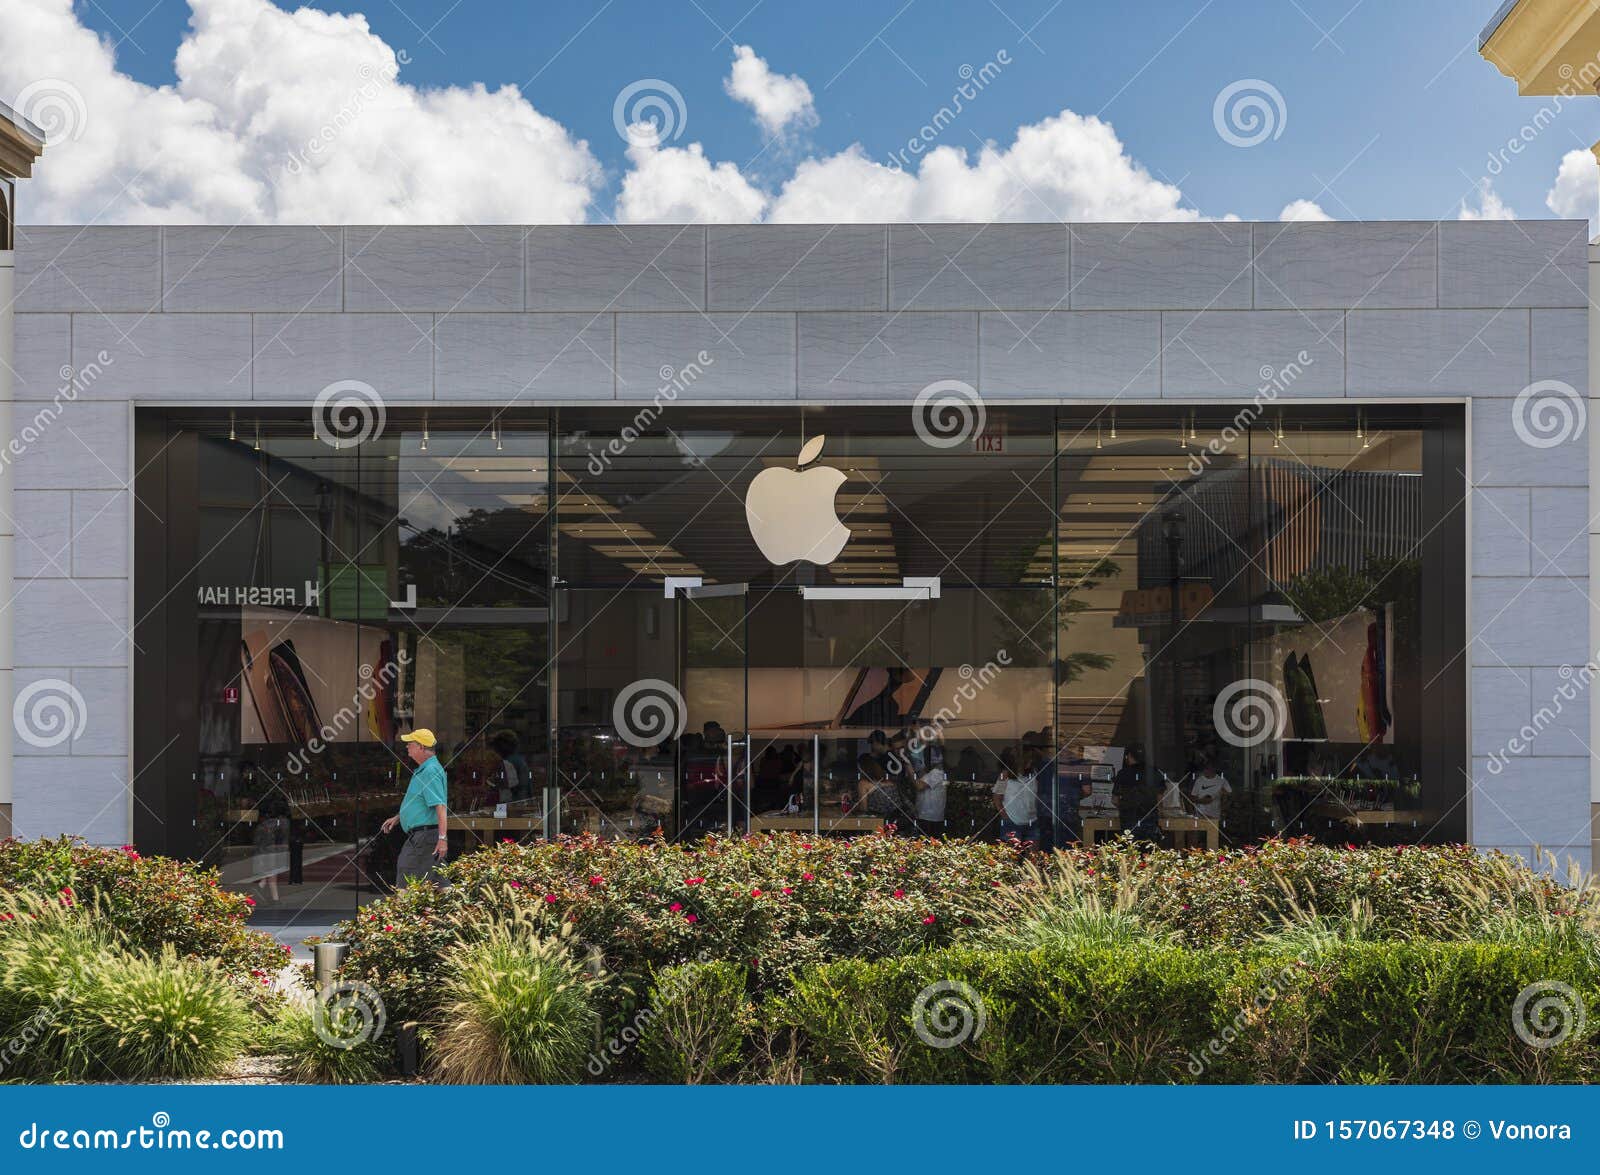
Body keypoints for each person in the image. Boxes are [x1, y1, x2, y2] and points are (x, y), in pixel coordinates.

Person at [381, 728, 449, 886]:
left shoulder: (430, 771)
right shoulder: (425, 769)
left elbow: (440, 806)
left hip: (424, 836)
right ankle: (461, 909)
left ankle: (402, 909)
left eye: (410, 744)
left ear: (421, 747)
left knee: (406, 872)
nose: (407, 747)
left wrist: (442, 838)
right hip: (426, 835)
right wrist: (399, 817)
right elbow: (418, 802)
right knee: (439, 882)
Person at [991, 747, 1038, 843]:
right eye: (1028, 759)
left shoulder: (1034, 773)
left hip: (1032, 820)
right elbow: (997, 798)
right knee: (1012, 854)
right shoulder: (1005, 775)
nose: (1031, 762)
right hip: (1012, 821)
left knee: (1034, 856)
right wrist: (1006, 817)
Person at [913, 742, 948, 837]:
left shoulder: (937, 772)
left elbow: (919, 785)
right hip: (928, 816)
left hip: (929, 817)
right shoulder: (932, 772)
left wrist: (909, 767)